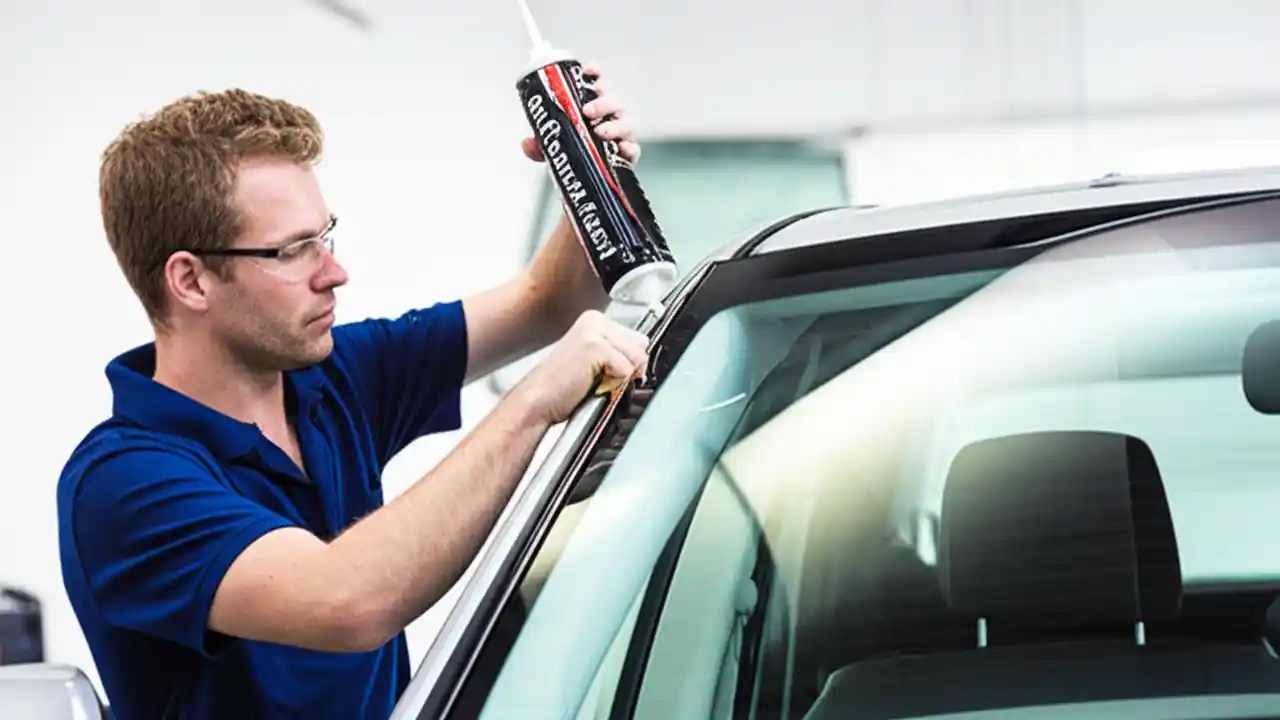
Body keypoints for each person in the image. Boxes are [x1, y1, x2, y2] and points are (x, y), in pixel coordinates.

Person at [56, 65, 650, 720]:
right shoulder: (124, 486)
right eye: (293, 251)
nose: (335, 273)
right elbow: (348, 601)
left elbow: (551, 301)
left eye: (325, 235)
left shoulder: (331, 375)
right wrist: (534, 404)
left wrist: (591, 175)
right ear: (191, 281)